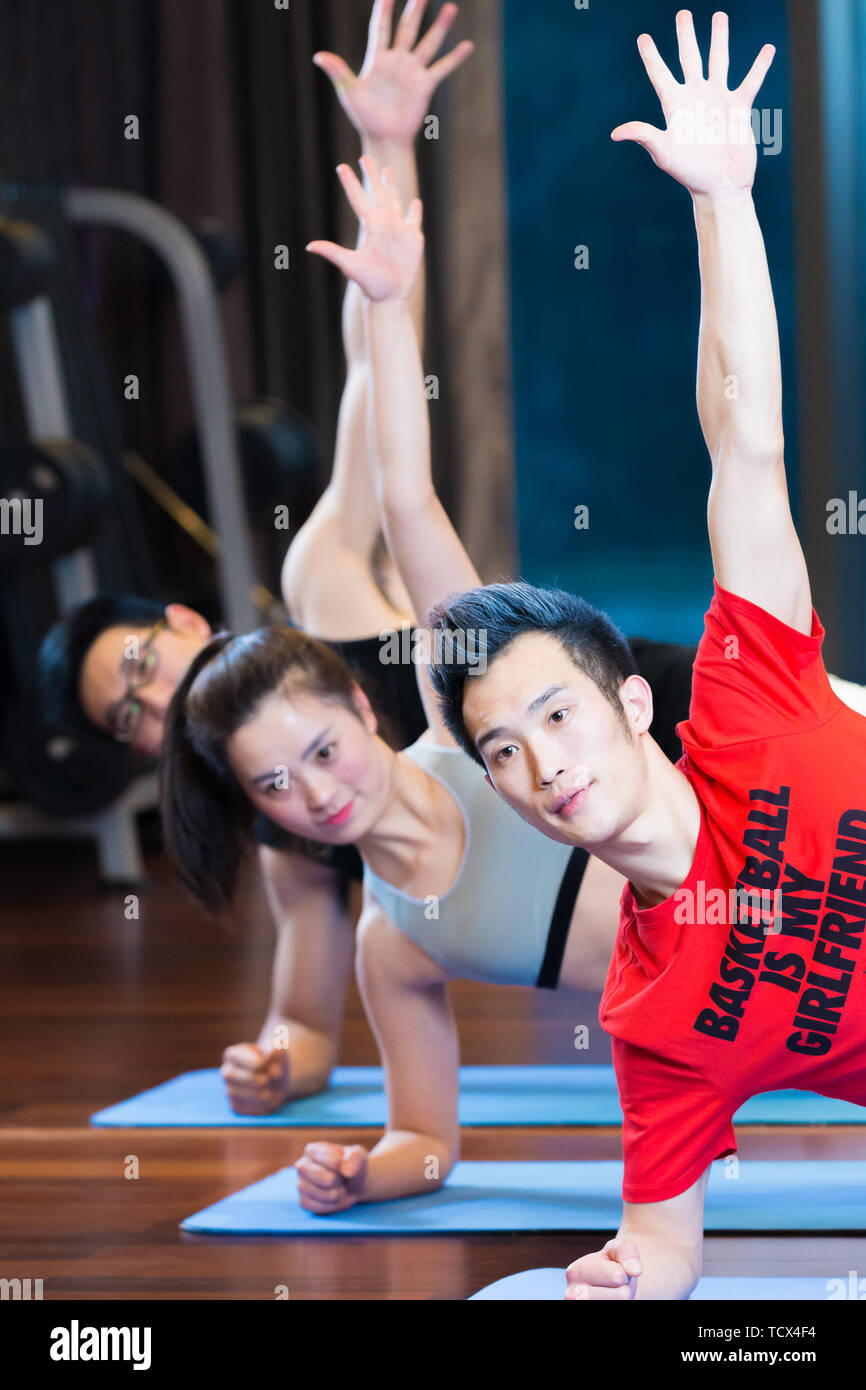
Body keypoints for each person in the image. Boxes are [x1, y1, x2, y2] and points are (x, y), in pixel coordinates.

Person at [161, 126, 866, 1222]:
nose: (317, 793)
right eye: (276, 786)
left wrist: (387, 312)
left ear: (362, 707)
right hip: (773, 975)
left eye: (322, 750)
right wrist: (365, 1172)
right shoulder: (393, 939)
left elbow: (408, 501)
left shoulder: (465, 728)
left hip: (770, 799)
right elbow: (423, 1138)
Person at [425, 12, 866, 1298]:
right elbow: (663, 1246)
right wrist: (624, 1281)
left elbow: (746, 442)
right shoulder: (650, 1018)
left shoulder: (749, 697)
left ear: (629, 702)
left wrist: (721, 203)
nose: (538, 764)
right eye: (502, 752)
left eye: (554, 716)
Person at [38, 0, 472, 1117]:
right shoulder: (298, 827)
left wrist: (384, 142)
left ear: (183, 624)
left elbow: (376, 371)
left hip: (644, 722)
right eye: (130, 720)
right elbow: (307, 1021)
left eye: (139, 666)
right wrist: (276, 1060)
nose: (153, 704)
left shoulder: (323, 585)